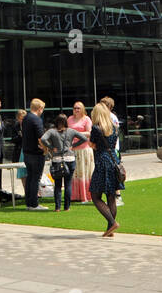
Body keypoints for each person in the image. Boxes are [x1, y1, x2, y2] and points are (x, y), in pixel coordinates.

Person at [40, 113, 86, 211]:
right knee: (68, 184)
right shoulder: (71, 131)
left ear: (56, 121)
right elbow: (84, 138)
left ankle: (57, 207)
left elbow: (43, 139)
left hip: (57, 160)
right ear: (66, 122)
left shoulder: (52, 131)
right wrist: (73, 146)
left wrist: (51, 147)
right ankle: (67, 207)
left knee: (58, 185)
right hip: (70, 159)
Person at [88, 103, 120, 236]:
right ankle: (109, 229)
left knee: (95, 195)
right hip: (114, 160)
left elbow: (92, 144)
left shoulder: (96, 128)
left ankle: (112, 223)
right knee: (111, 196)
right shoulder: (114, 127)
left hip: (102, 161)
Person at [21, 99, 47, 211]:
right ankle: (34, 204)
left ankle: (29, 203)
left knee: (30, 178)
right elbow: (41, 137)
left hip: (27, 152)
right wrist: (46, 149)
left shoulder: (26, 118)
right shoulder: (37, 119)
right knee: (35, 178)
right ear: (40, 108)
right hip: (36, 153)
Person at [68, 101, 94, 203]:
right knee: (74, 173)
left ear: (82, 109)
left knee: (84, 173)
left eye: (78, 108)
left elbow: (89, 133)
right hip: (73, 150)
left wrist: (77, 133)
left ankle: (86, 195)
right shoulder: (69, 119)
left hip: (84, 150)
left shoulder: (86, 119)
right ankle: (75, 196)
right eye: (75, 108)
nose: (76, 110)